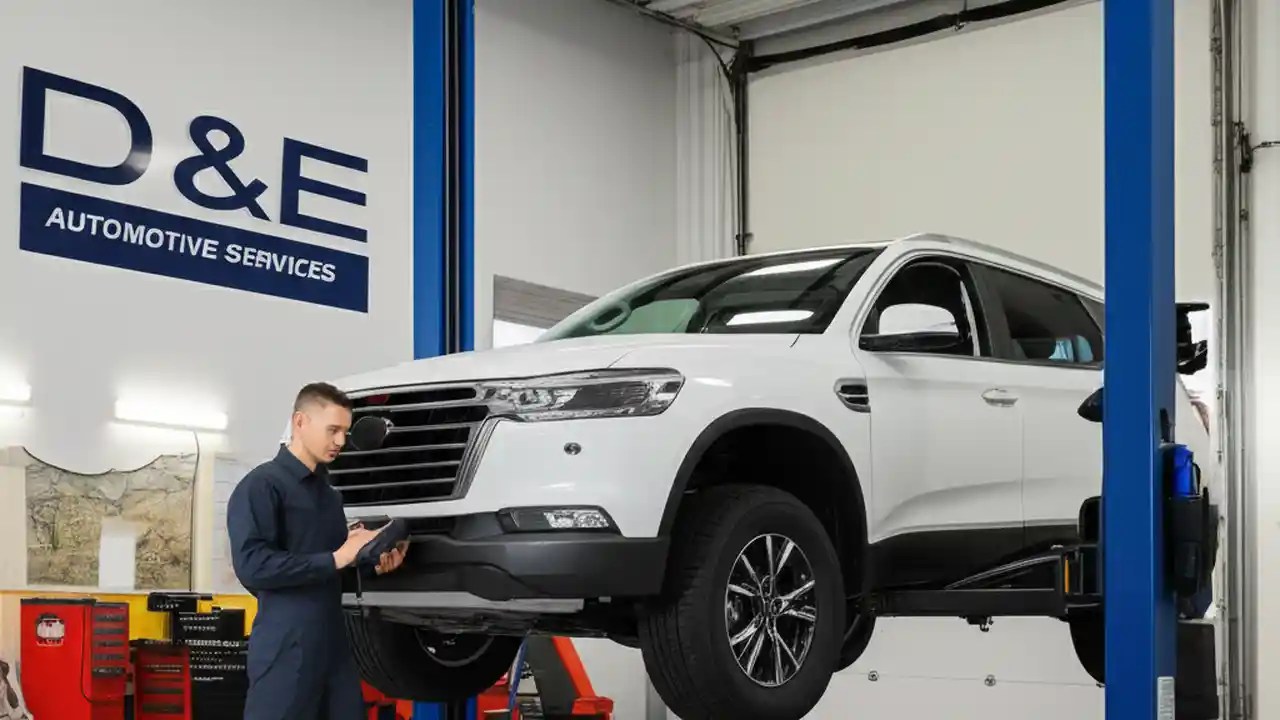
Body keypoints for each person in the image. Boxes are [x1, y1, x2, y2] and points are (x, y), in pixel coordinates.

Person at [228, 382, 408, 719]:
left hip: (335, 645)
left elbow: (333, 570)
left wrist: (372, 562)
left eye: (345, 432)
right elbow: (252, 566)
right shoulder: (261, 486)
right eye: (332, 430)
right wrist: (337, 557)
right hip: (286, 647)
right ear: (300, 422)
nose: (341, 441)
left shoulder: (329, 496)